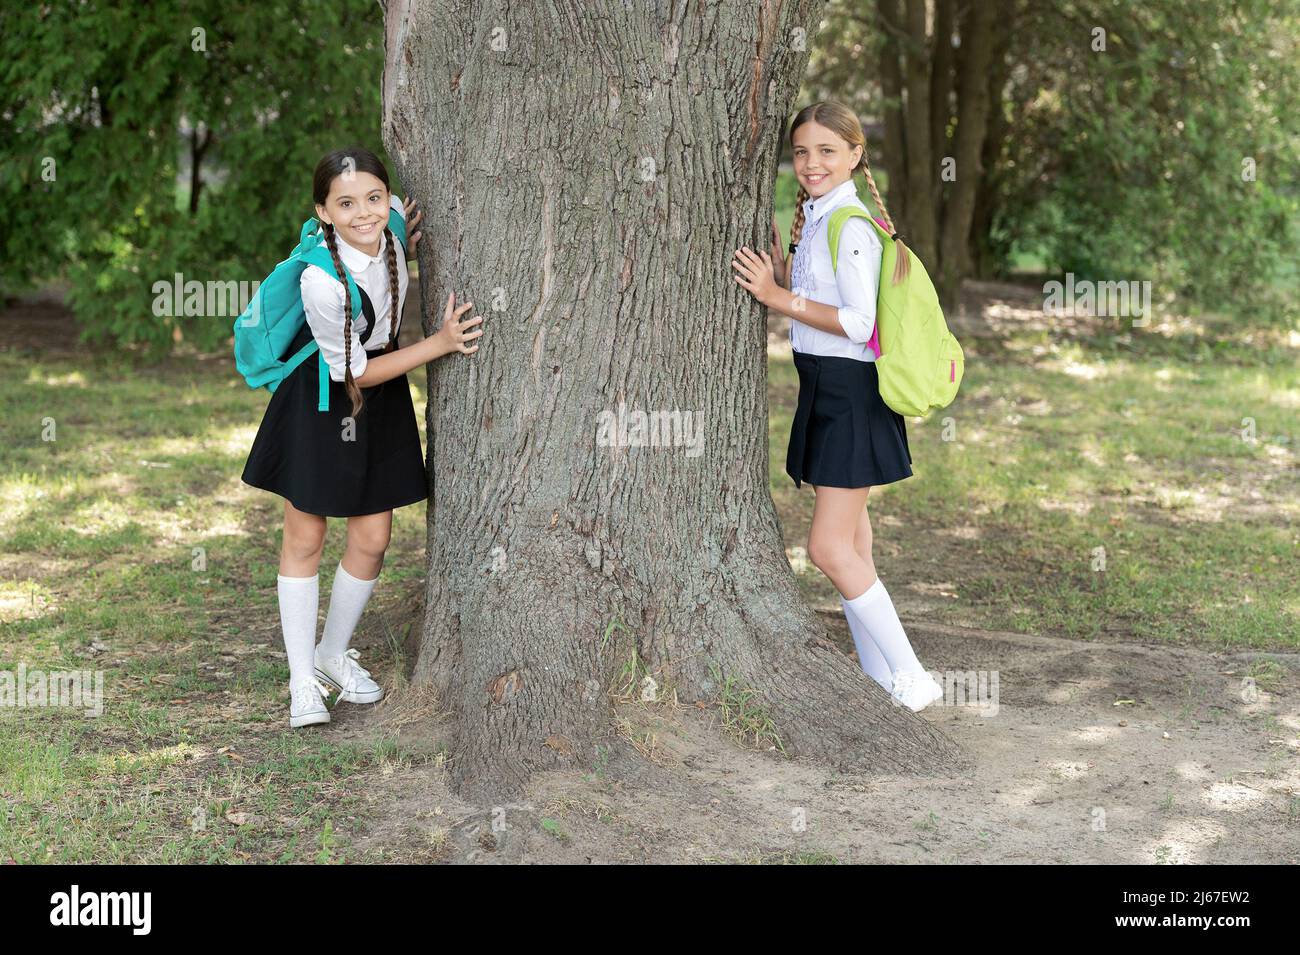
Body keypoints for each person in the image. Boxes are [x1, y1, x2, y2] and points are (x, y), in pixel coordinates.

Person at [241, 145, 483, 727]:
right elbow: (350, 371)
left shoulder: (391, 224)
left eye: (373, 198)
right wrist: (439, 343)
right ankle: (302, 680)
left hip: (383, 393)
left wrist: (395, 229)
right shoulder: (322, 282)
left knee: (373, 536)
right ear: (323, 212)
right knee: (307, 534)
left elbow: (393, 217)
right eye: (345, 204)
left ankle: (332, 652)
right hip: (325, 397)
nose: (364, 213)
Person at [731, 102, 943, 712]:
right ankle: (879, 682)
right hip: (830, 389)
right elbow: (827, 292)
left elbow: (857, 322)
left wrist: (775, 296)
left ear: (855, 154)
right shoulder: (823, 218)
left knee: (827, 549)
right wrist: (787, 272)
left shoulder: (848, 223)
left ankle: (912, 677)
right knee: (856, 546)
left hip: (849, 395)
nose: (811, 163)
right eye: (801, 152)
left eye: (827, 150)